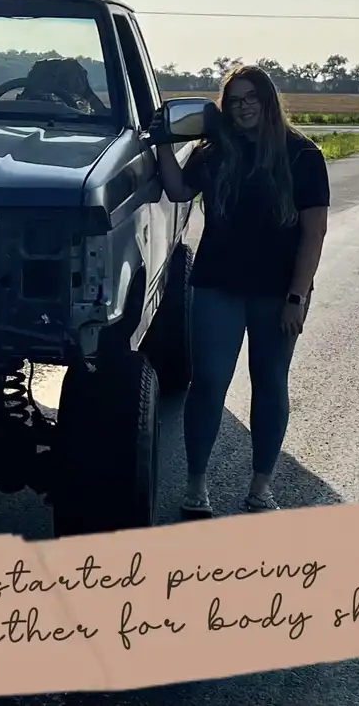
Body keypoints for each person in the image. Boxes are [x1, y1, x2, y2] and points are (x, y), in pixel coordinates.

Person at [148, 64, 331, 517]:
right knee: (208, 384)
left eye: (252, 98)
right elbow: (176, 191)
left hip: (277, 293)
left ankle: (260, 488)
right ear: (225, 108)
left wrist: (297, 296)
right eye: (234, 101)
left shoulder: (303, 156)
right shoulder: (214, 153)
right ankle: (196, 486)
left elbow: (314, 233)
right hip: (217, 285)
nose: (243, 107)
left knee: (270, 385)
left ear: (269, 101)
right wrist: (164, 144)